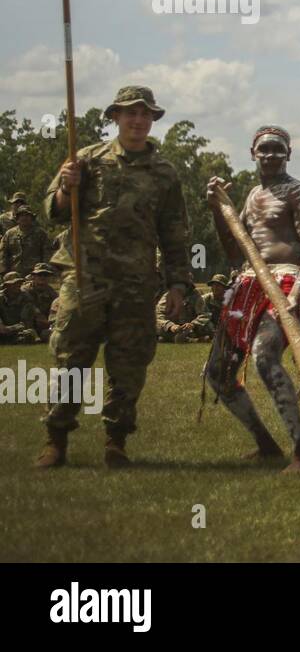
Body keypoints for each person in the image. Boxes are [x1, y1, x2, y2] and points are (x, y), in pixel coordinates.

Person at [37, 85, 194, 469]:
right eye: (130, 114)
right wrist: (65, 187)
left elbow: (175, 234)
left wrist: (177, 285)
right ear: (115, 118)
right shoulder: (86, 161)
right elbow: (54, 212)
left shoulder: (165, 174)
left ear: (152, 120)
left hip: (137, 284)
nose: (138, 121)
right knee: (71, 358)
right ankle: (56, 439)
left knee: (129, 363)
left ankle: (116, 441)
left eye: (145, 114)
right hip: (85, 277)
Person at [204, 125, 300, 471]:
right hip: (248, 283)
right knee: (218, 372)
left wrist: (297, 294)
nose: (270, 155)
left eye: (277, 149)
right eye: (264, 149)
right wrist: (216, 209)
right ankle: (266, 444)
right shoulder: (252, 196)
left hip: (287, 281)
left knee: (264, 356)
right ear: (252, 154)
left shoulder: (299, 193)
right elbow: (232, 251)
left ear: (289, 154)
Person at [1, 205, 53, 277]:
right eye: (21, 215)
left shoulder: (41, 233)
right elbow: (3, 254)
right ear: (17, 218)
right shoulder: (9, 234)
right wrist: (3, 271)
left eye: (27, 215)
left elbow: (47, 253)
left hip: (35, 274)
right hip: (13, 274)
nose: (24, 217)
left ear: (32, 218)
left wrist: (45, 271)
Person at [22, 263, 58, 342]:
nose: (42, 278)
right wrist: (39, 315)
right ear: (33, 277)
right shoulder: (24, 290)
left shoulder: (51, 292)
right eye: (39, 275)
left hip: (44, 324)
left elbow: (57, 308)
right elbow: (30, 307)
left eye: (45, 275)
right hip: (25, 324)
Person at [0, 272, 38, 344]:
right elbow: (1, 329)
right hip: (7, 329)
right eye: (14, 283)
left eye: (19, 282)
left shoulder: (26, 297)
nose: (18, 285)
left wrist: (12, 329)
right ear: (7, 285)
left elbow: (26, 323)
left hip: (16, 331)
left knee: (28, 335)